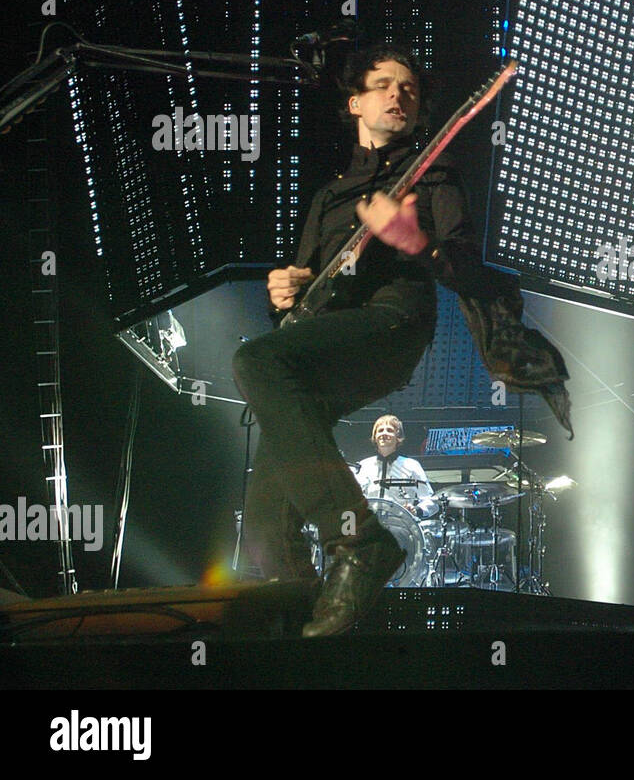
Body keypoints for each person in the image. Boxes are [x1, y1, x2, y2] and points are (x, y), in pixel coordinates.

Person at [232, 44, 571, 637]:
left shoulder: (433, 173)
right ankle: (301, 631)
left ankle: (360, 542)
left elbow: (467, 269)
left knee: (253, 359)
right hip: (328, 335)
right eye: (383, 85)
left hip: (393, 324)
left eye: (409, 89)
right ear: (355, 102)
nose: (398, 95)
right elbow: (304, 286)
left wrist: (416, 243)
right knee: (266, 510)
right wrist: (281, 289)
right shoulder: (329, 195)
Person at [354, 414, 435, 516]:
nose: (384, 433)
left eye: (389, 430)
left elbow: (431, 501)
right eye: (380, 430)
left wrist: (416, 509)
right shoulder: (363, 465)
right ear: (375, 437)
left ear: (398, 437)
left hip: (400, 526)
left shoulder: (411, 465)